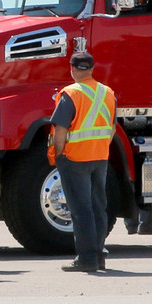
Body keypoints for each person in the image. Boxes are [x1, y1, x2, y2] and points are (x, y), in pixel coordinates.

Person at [50, 51, 116, 273]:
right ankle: (99, 255)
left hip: (75, 157)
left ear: (72, 68)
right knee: (98, 208)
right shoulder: (107, 92)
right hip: (100, 157)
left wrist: (59, 154)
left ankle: (86, 259)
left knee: (81, 210)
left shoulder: (70, 93)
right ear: (92, 69)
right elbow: (112, 128)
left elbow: (61, 129)